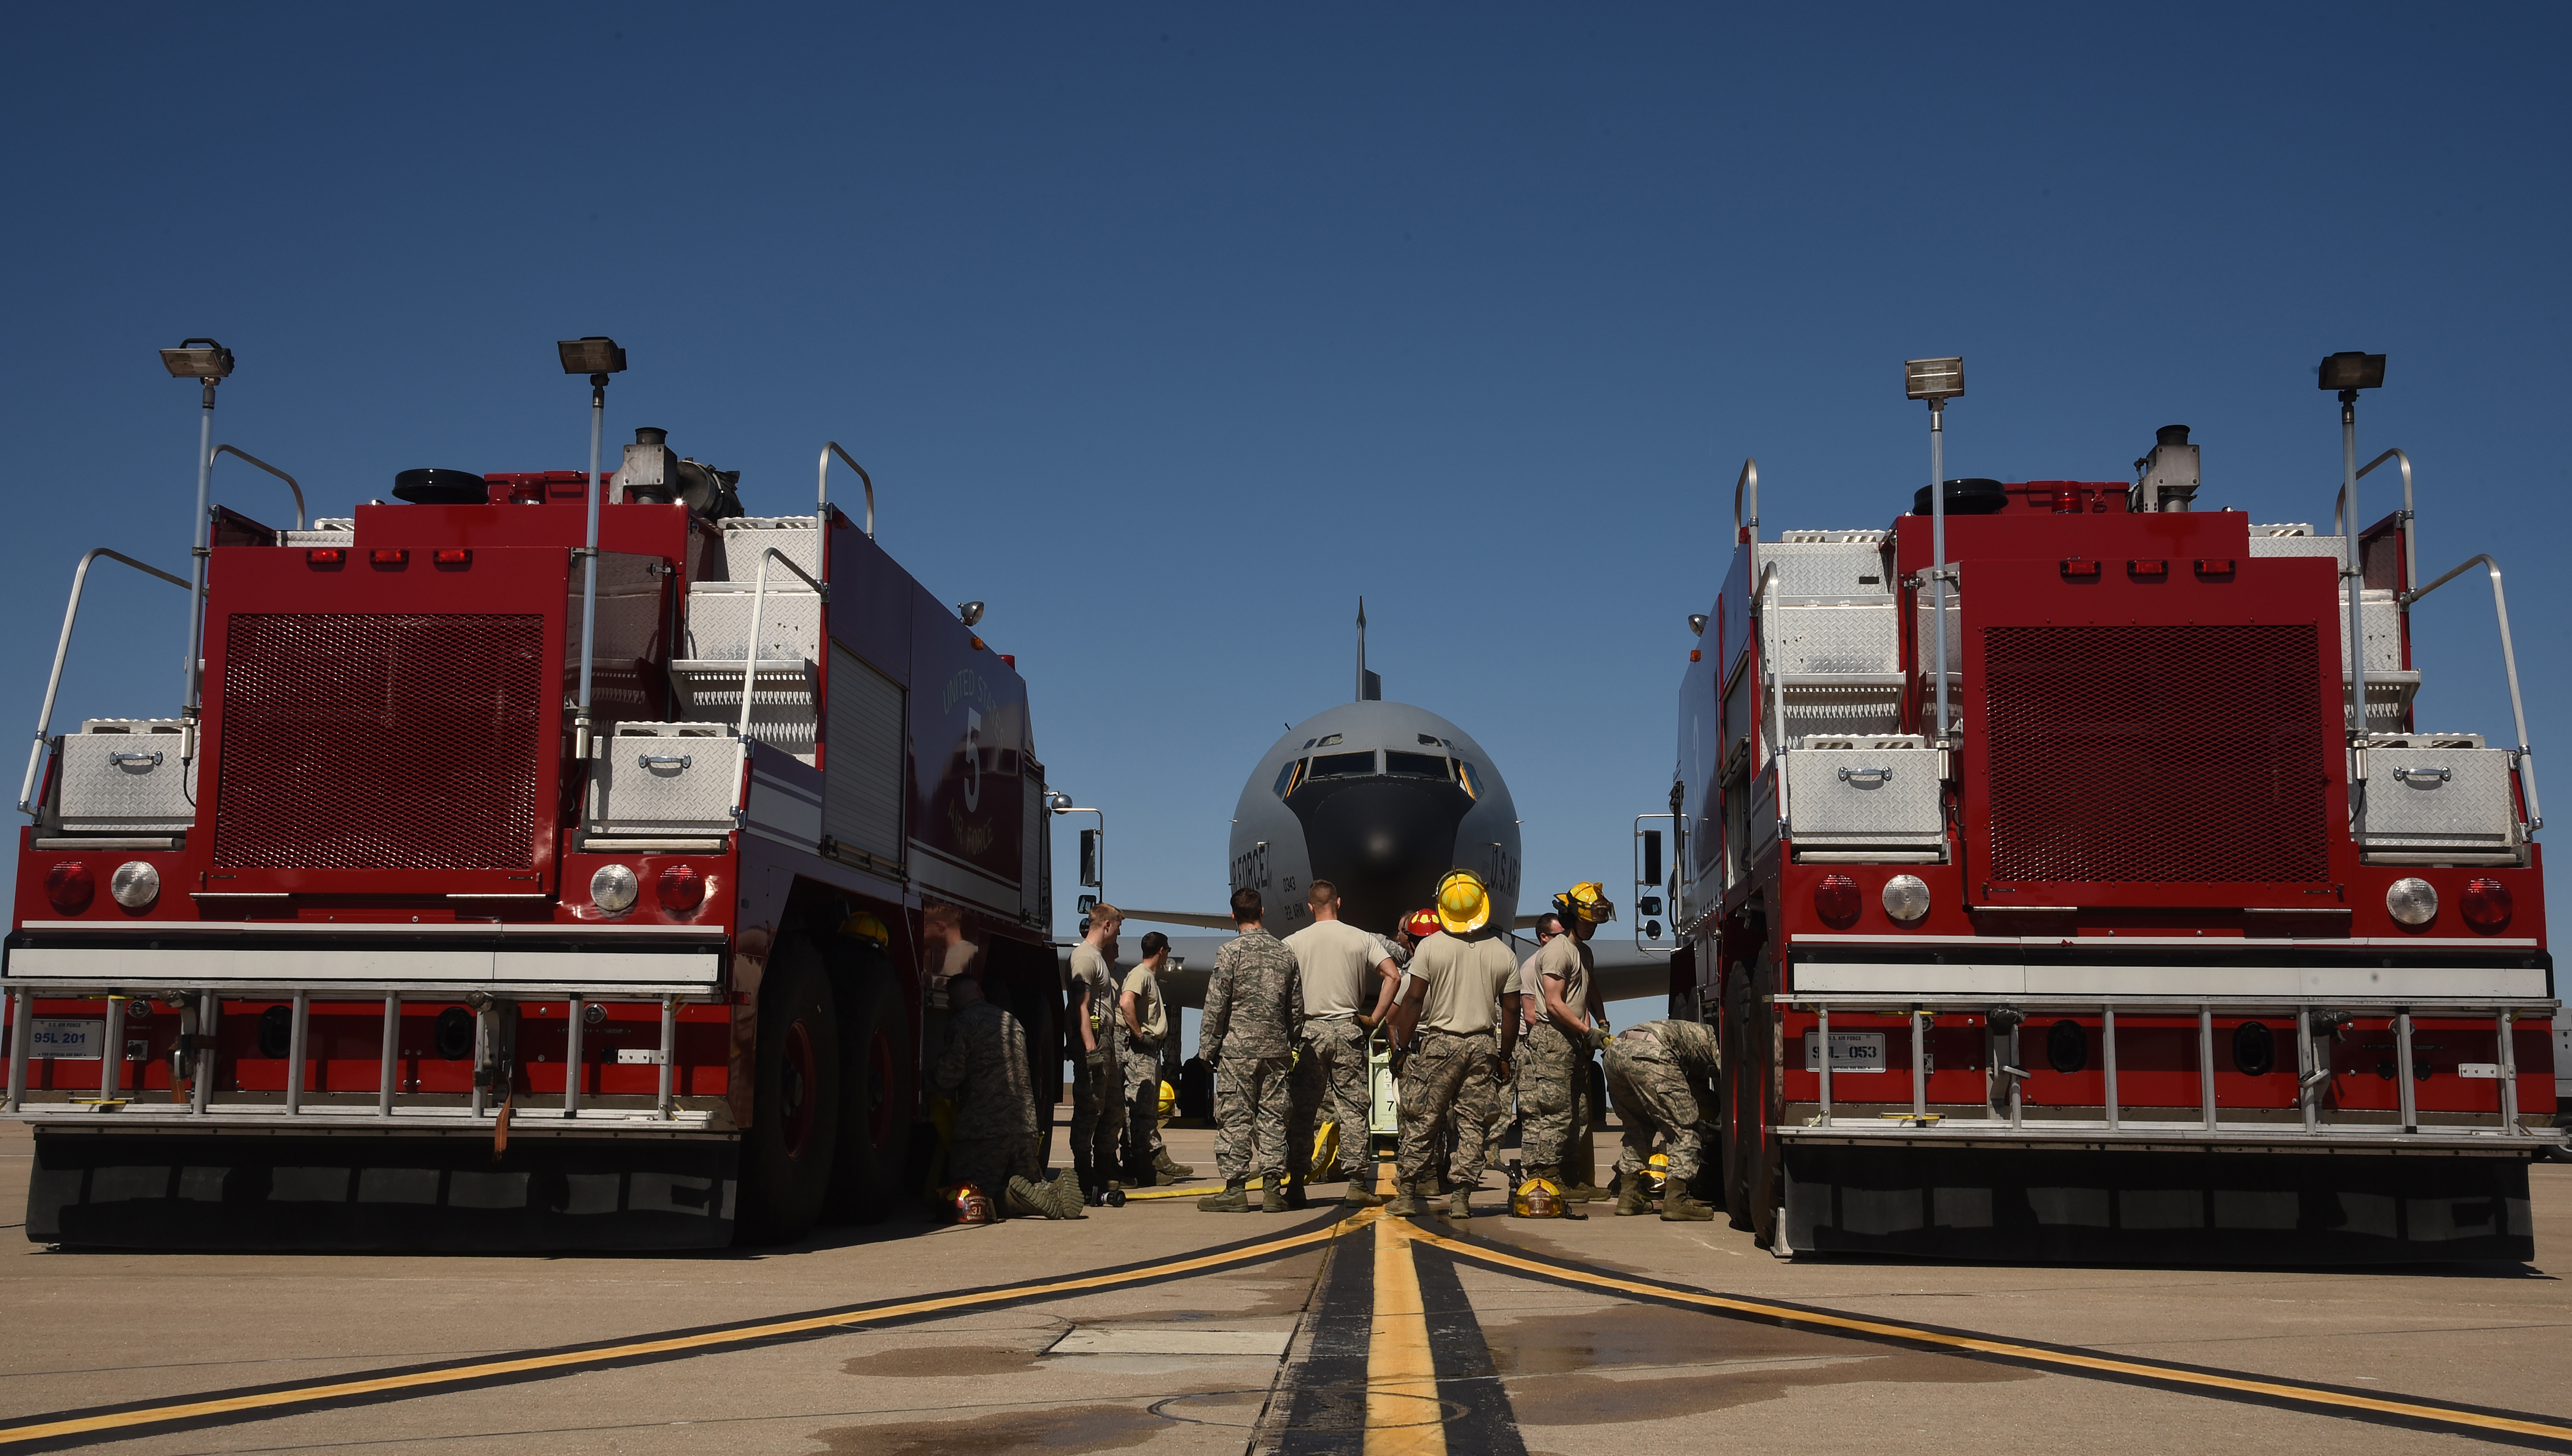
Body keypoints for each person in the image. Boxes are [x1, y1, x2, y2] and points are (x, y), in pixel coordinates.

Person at [1385, 870, 1521, 1221]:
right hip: (1482, 1045)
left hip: (1440, 1044)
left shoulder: (1431, 947)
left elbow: (1413, 1000)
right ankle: (1461, 1198)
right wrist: (1505, 1056)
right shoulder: (1503, 954)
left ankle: (1407, 1194)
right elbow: (1511, 1010)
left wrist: (1402, 1048)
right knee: (1473, 1123)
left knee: (1423, 1118)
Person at [1281, 880, 1400, 1207]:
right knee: (1354, 1109)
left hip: (1310, 1032)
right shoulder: (1361, 938)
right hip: (1348, 1029)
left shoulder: (1293, 943)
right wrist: (1375, 1018)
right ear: (1339, 903)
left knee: (1303, 1111)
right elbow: (1393, 975)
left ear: (1310, 907)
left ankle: (1296, 1185)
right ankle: (1357, 1183)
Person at [931, 971, 1083, 1221]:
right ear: (980, 993)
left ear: (950, 1005)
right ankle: (1052, 1189)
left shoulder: (962, 1023)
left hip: (984, 1131)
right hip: (1026, 1128)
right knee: (1030, 1180)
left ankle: (1011, 1200)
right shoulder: (1011, 1021)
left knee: (971, 1192)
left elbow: (949, 1077)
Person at [1197, 888, 1304, 1213]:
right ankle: (1272, 1190)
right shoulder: (1285, 953)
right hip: (1275, 1050)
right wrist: (1291, 1042)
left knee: (1235, 1117)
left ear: (1233, 915)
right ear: (1262, 911)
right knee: (1274, 1117)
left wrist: (1207, 1050)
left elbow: (1216, 1005)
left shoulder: (1230, 952)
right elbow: (1296, 1008)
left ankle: (1235, 1189)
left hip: (1238, 1052)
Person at [1519, 883, 1615, 1208]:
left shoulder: (1583, 952)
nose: (1592, 927)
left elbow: (1591, 989)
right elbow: (1554, 1003)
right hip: (1553, 1038)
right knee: (1557, 1112)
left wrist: (1602, 1022)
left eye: (1596, 922)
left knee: (1579, 1113)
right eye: (1587, 921)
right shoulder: (1558, 951)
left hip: (1574, 1040)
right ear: (1572, 918)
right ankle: (1548, 1175)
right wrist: (1587, 1031)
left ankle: (1572, 1177)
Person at [1597, 1018, 1720, 1221]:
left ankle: (1629, 1196)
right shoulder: (1717, 1041)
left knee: (1637, 1128)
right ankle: (1677, 1200)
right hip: (1650, 1053)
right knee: (1684, 1127)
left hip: (1615, 1053)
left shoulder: (1692, 1037)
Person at [1120, 932, 1194, 1186]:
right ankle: (1146, 1163)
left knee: (1145, 1110)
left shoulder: (1148, 977)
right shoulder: (1141, 975)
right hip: (1142, 1051)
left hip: (1150, 1050)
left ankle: (1145, 1161)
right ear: (1162, 951)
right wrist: (1139, 1035)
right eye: (1167, 951)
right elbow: (1126, 1003)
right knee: (1142, 1110)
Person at [1066, 904, 1128, 1202]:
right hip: (1095, 1040)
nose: (1119, 934)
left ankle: (1105, 1163)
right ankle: (1082, 1168)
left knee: (1113, 1106)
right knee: (1090, 1106)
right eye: (1118, 927)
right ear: (1106, 925)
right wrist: (1090, 1049)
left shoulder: (1098, 958)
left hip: (1106, 1038)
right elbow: (1081, 1007)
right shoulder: (1085, 958)